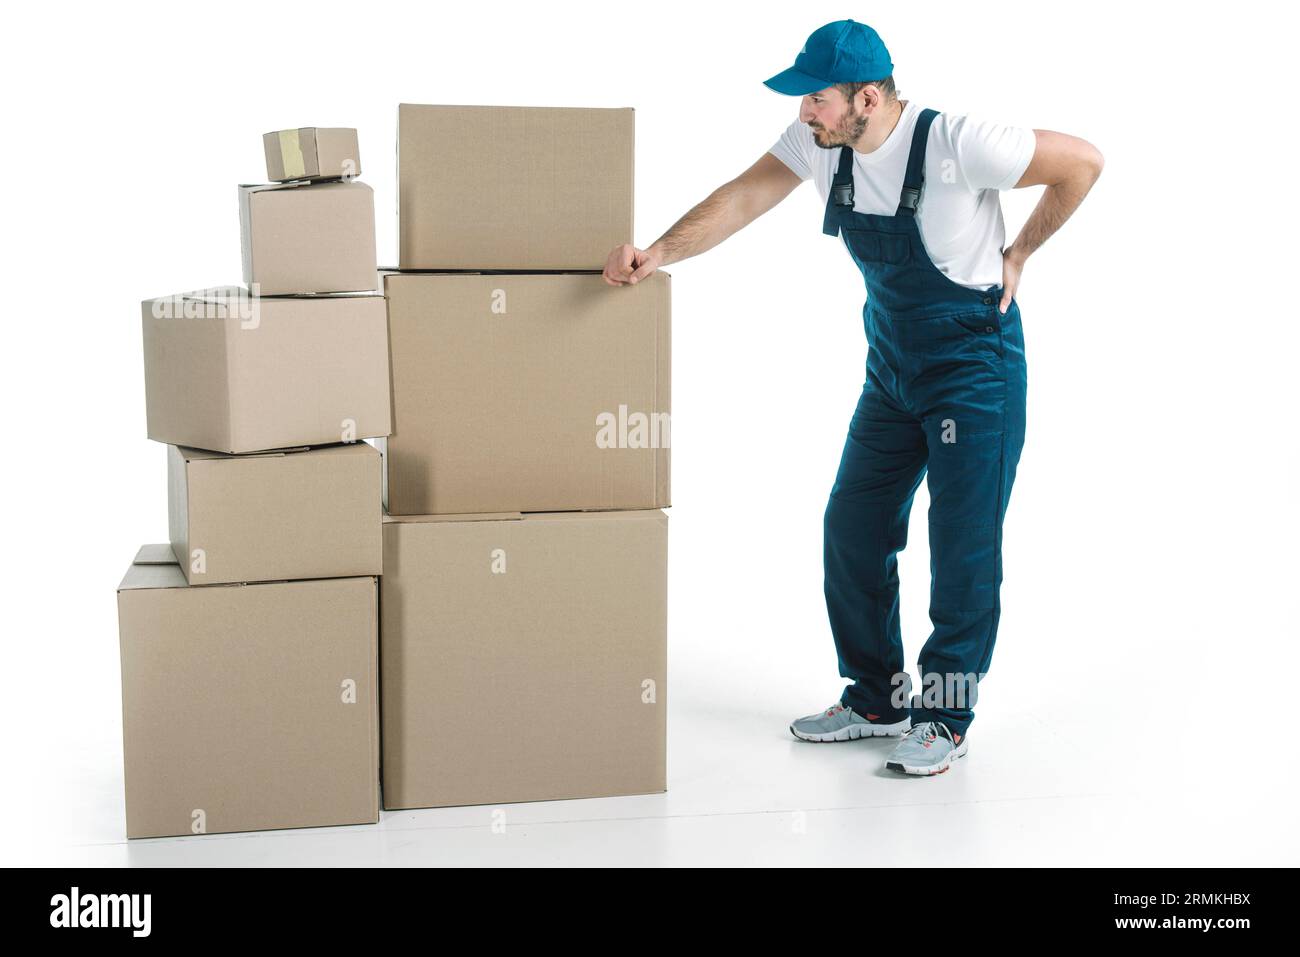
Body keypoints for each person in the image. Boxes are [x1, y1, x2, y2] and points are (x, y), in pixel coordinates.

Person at [603, 19, 1102, 775]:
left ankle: (943, 717)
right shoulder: (819, 145)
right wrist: (660, 250)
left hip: (975, 367)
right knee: (854, 524)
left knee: (964, 548)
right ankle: (876, 697)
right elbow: (742, 197)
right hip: (894, 368)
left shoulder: (959, 142)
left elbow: (1084, 163)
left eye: (818, 100)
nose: (805, 112)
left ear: (868, 97)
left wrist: (1021, 250)